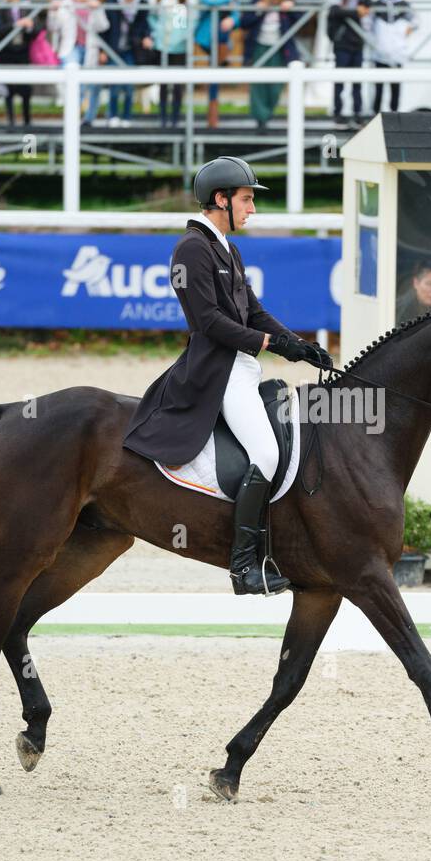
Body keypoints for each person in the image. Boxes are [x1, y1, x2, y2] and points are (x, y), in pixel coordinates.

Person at [122, 157, 333, 596]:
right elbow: (209, 322)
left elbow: (253, 311)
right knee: (268, 454)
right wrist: (272, 345)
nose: (252, 208)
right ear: (221, 199)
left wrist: (300, 345)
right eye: (247, 199)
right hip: (217, 371)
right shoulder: (191, 250)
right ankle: (243, 566)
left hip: (241, 366)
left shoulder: (227, 249)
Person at [239, 0, 299, 131]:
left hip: (280, 49)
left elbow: (300, 20)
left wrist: (291, 5)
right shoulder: (256, 2)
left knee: (276, 85)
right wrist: (259, 10)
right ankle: (260, 117)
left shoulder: (287, 5)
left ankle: (269, 112)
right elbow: (244, 23)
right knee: (258, 84)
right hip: (259, 47)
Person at [144, 0, 197, 128]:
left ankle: (175, 117)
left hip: (178, 47)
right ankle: (163, 117)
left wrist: (180, 38)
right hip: (161, 45)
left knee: (177, 84)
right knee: (163, 83)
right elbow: (152, 18)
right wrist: (157, 35)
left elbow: (186, 22)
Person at [51, 0, 108, 125]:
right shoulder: (65, 5)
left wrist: (97, 10)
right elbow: (53, 27)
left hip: (90, 49)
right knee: (74, 82)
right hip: (71, 47)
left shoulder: (95, 5)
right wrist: (53, 12)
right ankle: (73, 118)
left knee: (92, 84)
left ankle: (89, 118)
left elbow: (103, 27)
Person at [96, 0, 147, 126]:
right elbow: (104, 29)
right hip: (115, 49)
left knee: (129, 85)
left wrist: (148, 37)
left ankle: (127, 117)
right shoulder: (112, 4)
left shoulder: (183, 0)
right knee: (114, 84)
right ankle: (113, 116)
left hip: (134, 50)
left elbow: (148, 25)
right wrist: (102, 50)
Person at [0, 0, 44, 127]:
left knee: (25, 89)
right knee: (8, 89)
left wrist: (29, 26)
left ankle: (27, 123)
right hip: (6, 53)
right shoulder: (1, 9)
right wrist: (15, 25)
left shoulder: (27, 7)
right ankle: (11, 122)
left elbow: (38, 29)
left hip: (23, 52)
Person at [194, 0, 241, 129]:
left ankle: (213, 116)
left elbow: (237, 15)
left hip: (222, 40)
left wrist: (232, 21)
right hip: (206, 40)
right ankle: (211, 117)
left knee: (215, 77)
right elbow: (209, 1)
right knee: (213, 73)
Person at [327, 0, 371, 128]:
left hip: (358, 40)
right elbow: (335, 10)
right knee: (340, 78)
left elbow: (367, 5)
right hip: (342, 40)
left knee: (357, 79)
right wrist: (355, 13)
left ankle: (357, 112)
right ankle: (338, 112)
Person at [369, 0, 413, 114]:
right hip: (380, 52)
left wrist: (409, 28)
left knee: (395, 85)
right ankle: (375, 114)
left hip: (397, 52)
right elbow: (367, 24)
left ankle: (394, 114)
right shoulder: (376, 4)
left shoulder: (405, 4)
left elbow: (415, 21)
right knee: (378, 86)